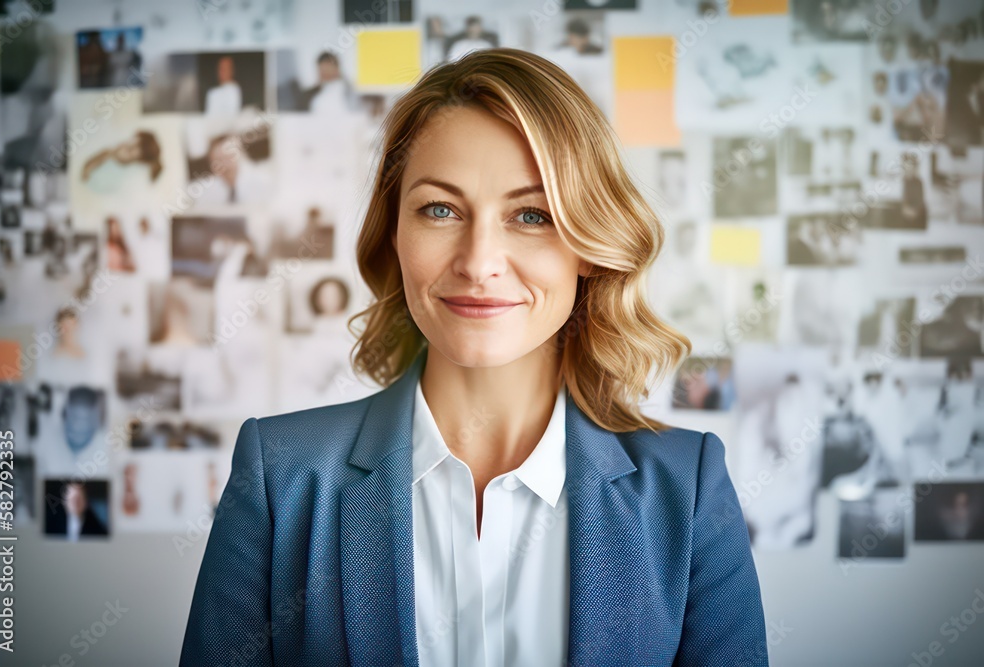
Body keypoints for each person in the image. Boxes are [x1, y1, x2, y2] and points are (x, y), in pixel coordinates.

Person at [180, 48, 767, 666]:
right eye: (440, 209)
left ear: (589, 246)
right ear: (395, 232)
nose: (479, 261)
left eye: (532, 215)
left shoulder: (687, 488)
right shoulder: (283, 478)